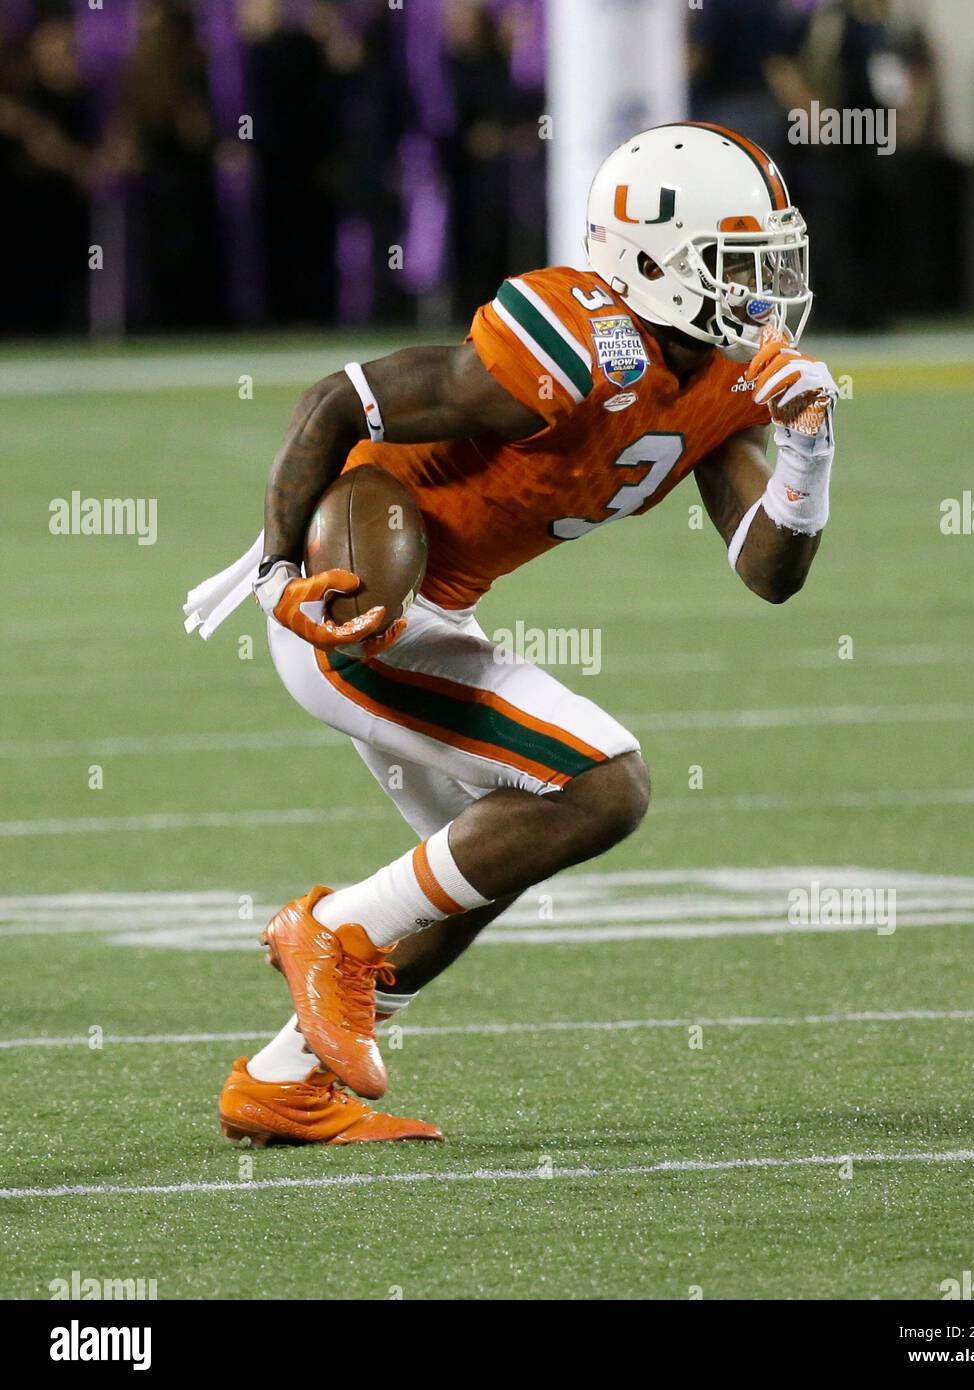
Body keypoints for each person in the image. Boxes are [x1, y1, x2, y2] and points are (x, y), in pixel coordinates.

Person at [184, 123, 839, 1145]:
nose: (763, 289)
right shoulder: (575, 339)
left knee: (493, 855)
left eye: (770, 260)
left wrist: (805, 464)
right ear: (654, 262)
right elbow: (339, 400)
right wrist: (274, 571)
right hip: (357, 605)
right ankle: (329, 931)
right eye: (736, 261)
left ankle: (284, 1080)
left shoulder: (724, 372)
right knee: (602, 783)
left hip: (433, 615)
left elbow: (769, 573)